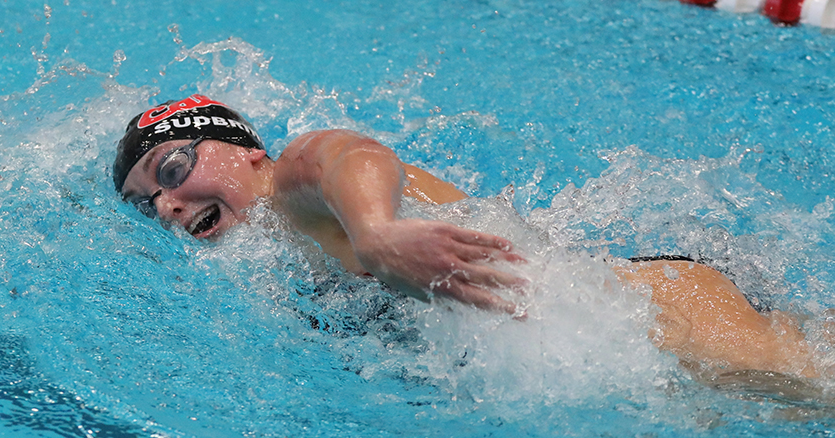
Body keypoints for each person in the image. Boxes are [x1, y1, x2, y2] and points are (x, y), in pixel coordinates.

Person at [112, 94, 821, 380]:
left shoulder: (290, 185)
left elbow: (350, 157)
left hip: (658, 315)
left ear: (246, 149)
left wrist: (380, 233)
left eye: (174, 167)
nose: (170, 203)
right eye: (151, 204)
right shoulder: (272, 259)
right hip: (626, 340)